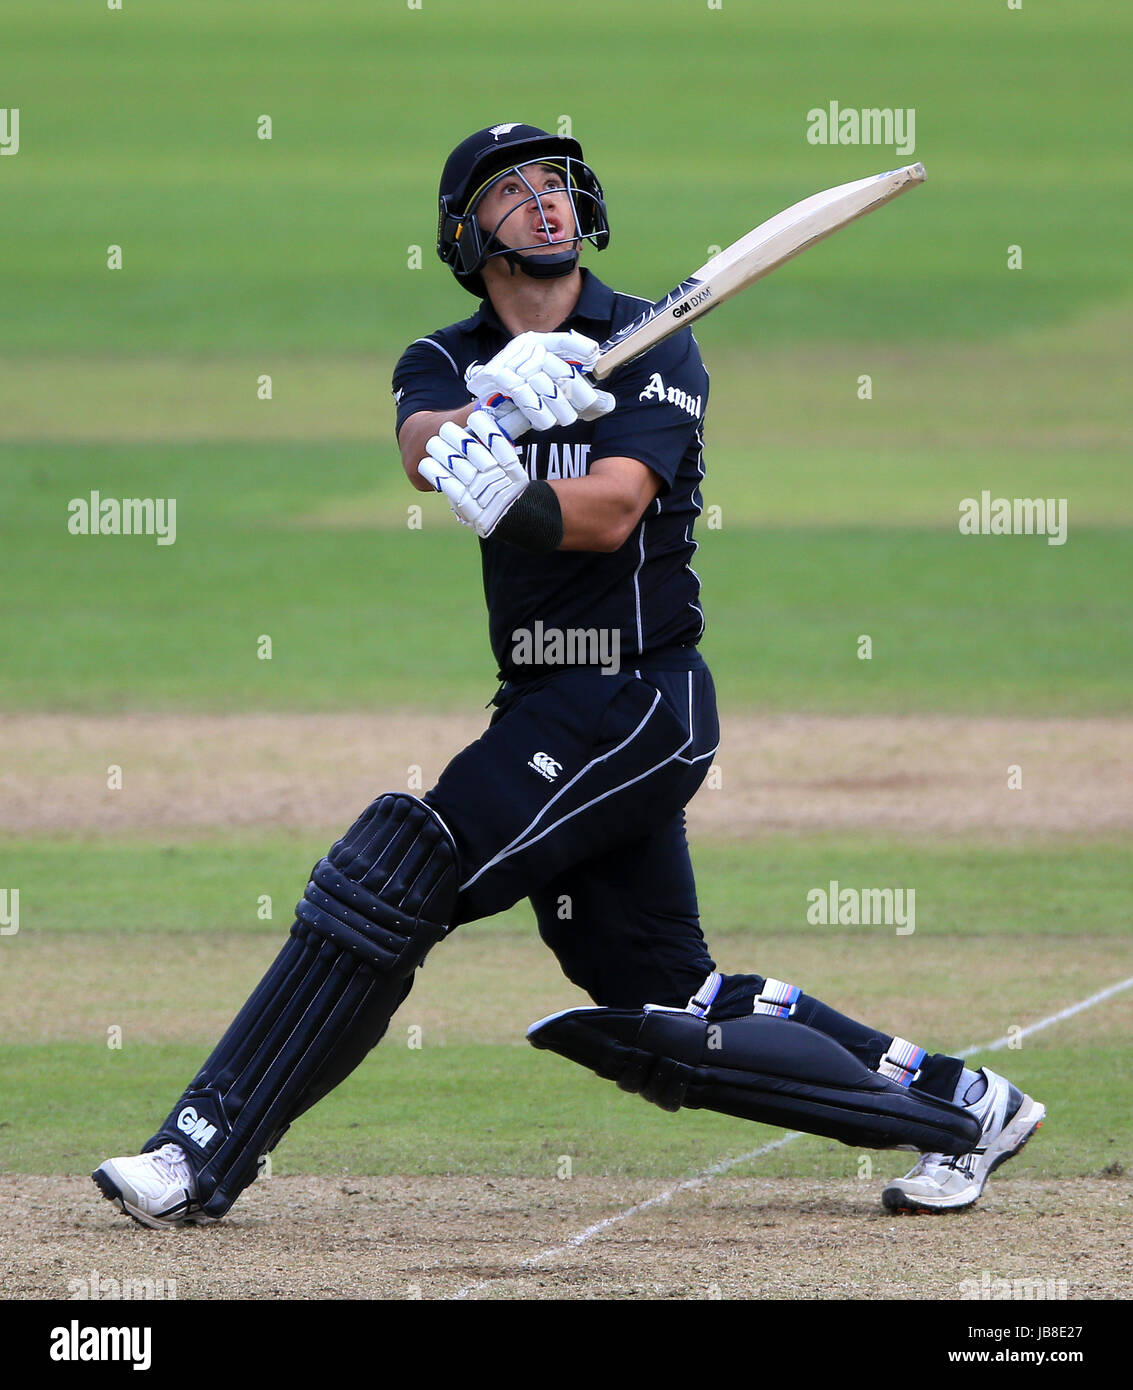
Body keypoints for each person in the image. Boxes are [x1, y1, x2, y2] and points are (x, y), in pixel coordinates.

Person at [93, 123, 1043, 1229]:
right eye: (512, 189)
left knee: (399, 868)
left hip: (635, 698)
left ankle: (197, 1150)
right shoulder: (442, 356)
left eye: (554, 182)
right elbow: (420, 443)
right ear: (465, 233)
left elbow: (611, 509)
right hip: (546, 701)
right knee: (667, 998)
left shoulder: (655, 346)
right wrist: (491, 402)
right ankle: (966, 1108)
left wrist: (514, 497)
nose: (544, 202)